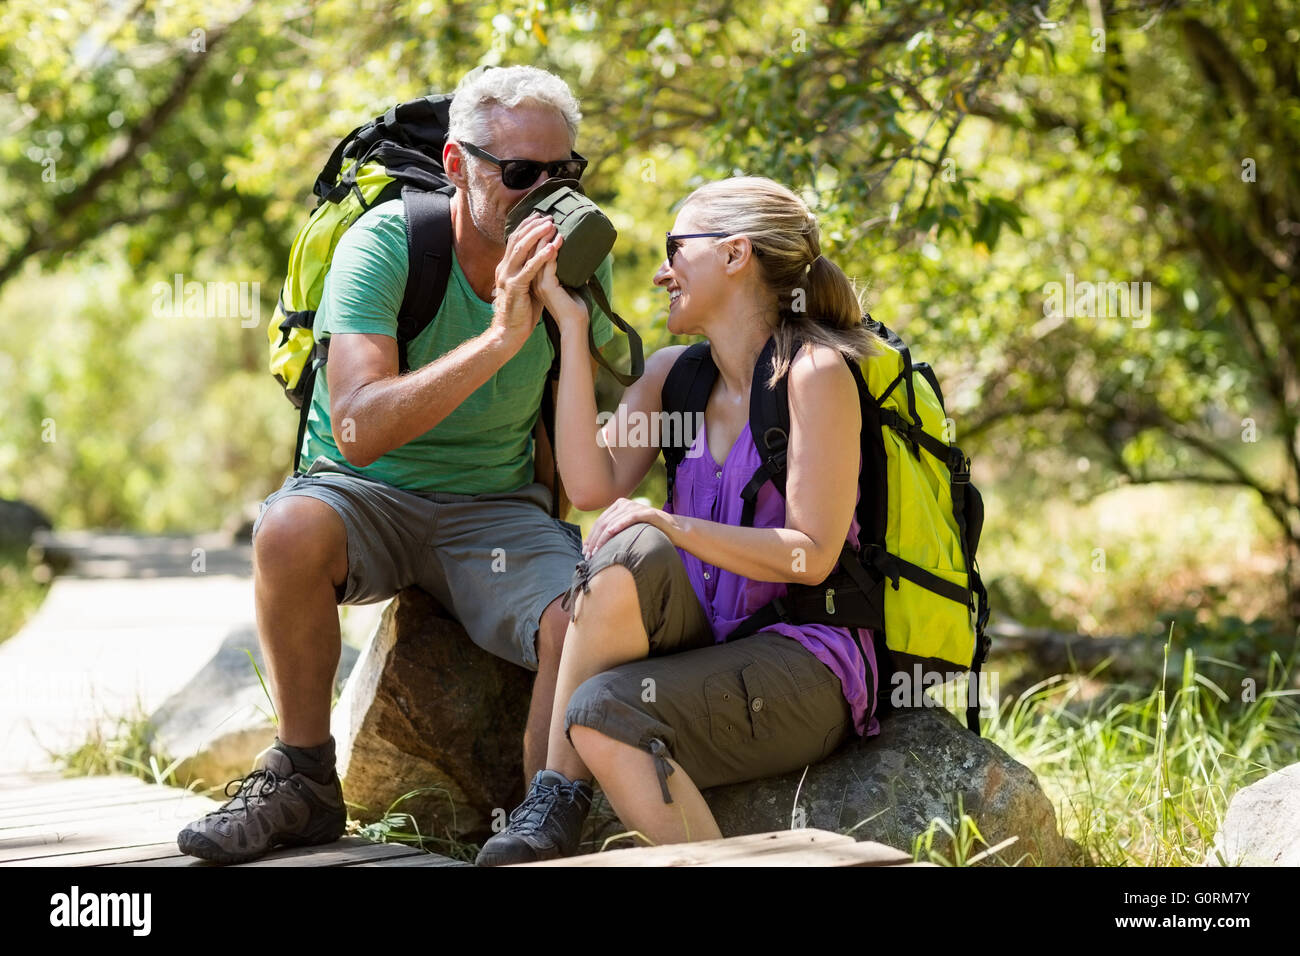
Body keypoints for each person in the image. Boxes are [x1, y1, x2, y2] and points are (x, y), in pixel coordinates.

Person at [176, 65, 615, 864]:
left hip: (495, 509)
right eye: (519, 174)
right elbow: (356, 427)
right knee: (286, 530)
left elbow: (563, 423)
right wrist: (497, 338)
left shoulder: (576, 260)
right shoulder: (385, 245)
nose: (544, 193)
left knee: (585, 610)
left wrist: (550, 552)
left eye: (563, 172)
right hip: (364, 494)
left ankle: (550, 807)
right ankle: (304, 777)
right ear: (456, 164)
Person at [475, 176, 883, 866]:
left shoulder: (814, 373)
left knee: (607, 692)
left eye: (674, 249)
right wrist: (571, 329)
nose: (662, 272)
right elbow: (589, 482)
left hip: (806, 657)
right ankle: (554, 802)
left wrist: (675, 527)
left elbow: (809, 556)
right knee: (622, 567)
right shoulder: (676, 378)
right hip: (707, 637)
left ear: (733, 255)